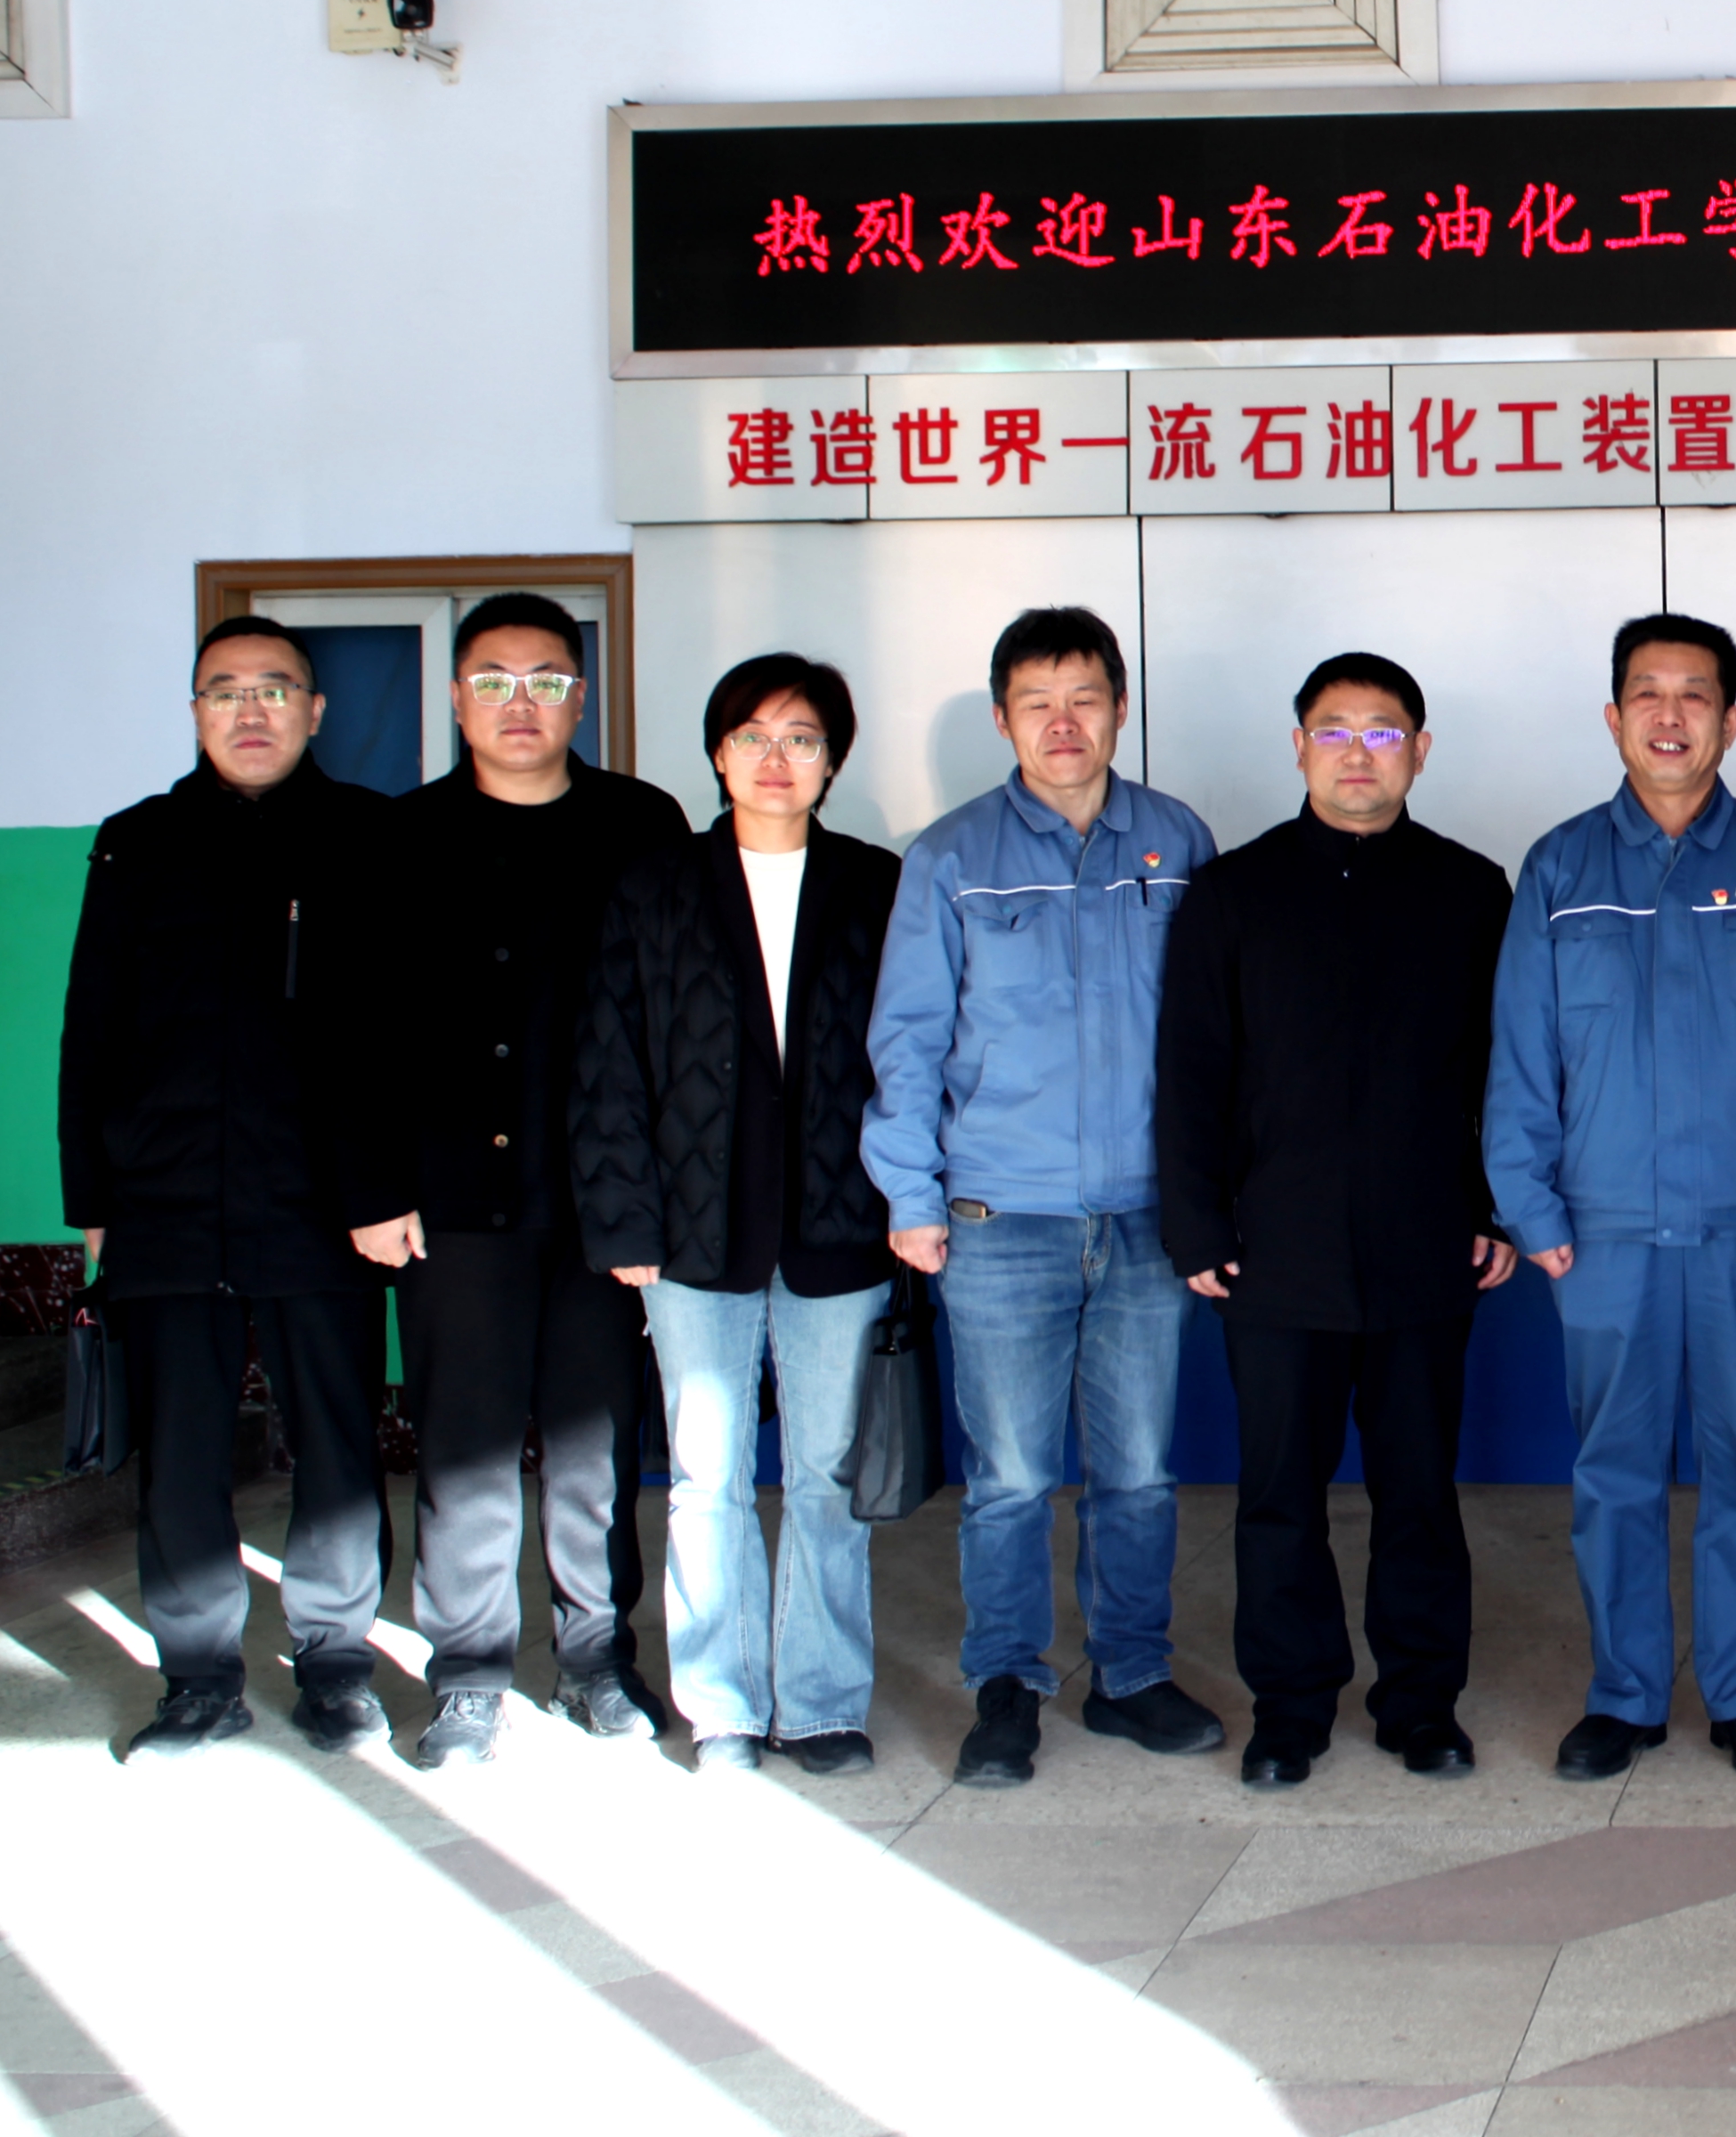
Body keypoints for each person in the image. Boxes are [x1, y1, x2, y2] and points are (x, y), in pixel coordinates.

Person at [865, 605, 1227, 1785]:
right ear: (1002, 717)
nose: (1062, 723)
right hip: (997, 1216)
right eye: (1037, 702)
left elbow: (1218, 1032)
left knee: (1137, 1471)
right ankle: (1006, 1683)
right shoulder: (952, 856)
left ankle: (1130, 1674)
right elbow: (908, 1038)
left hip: (1146, 1217)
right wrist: (910, 1193)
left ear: (1119, 707)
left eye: (1084, 698)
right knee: (1011, 1477)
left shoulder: (1175, 839)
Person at [1485, 613, 1736, 1784]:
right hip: (1602, 1235)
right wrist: (1531, 1211)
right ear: (1613, 717)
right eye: (1647, 692)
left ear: (1731, 719)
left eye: (1695, 694)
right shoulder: (1560, 867)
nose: (1670, 713)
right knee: (1614, 1472)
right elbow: (1521, 1056)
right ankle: (1624, 1694)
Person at [1159, 653, 1516, 1792]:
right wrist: (1197, 1225)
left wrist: (1495, 1207)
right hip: (1274, 1250)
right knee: (1277, 1496)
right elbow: (1191, 1070)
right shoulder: (1234, 891)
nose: (1358, 752)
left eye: (1382, 731)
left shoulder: (1470, 890)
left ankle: (1421, 1703)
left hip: (1426, 1244)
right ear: (1298, 745)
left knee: (1419, 1492)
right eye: (1334, 729)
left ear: (1419, 749)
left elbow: (1504, 1068)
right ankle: (1290, 1706)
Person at [62, 618, 398, 1759]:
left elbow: (402, 1034)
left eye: (274, 689)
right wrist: (91, 1198)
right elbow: (92, 1029)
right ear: (196, 710)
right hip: (165, 1198)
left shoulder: (367, 835)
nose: (250, 711)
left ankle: (337, 1665)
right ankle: (198, 1678)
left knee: (337, 1447)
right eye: (225, 691)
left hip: (323, 1201)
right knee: (182, 1451)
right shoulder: (138, 842)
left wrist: (387, 1185)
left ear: (315, 708)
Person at [367, 590, 690, 1769]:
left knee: (596, 1442)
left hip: (604, 1201)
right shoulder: (399, 837)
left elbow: (678, 1017)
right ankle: (467, 1675)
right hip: (450, 1198)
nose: (520, 702)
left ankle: (597, 1657)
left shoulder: (641, 824)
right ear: (457, 698)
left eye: (546, 679)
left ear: (579, 696)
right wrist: (373, 1186)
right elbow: (355, 1029)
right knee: (462, 1444)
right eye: (494, 680)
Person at [575, 654, 902, 1775]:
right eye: (753, 735)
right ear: (718, 753)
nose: (775, 758)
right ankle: (720, 1706)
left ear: (831, 760)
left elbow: (914, 1055)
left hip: (839, 1224)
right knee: (706, 1479)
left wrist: (909, 1199)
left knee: (825, 1479)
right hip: (689, 1230)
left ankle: (820, 1702)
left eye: (801, 738)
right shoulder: (655, 885)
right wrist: (624, 1223)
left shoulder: (876, 885)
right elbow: (609, 1062)